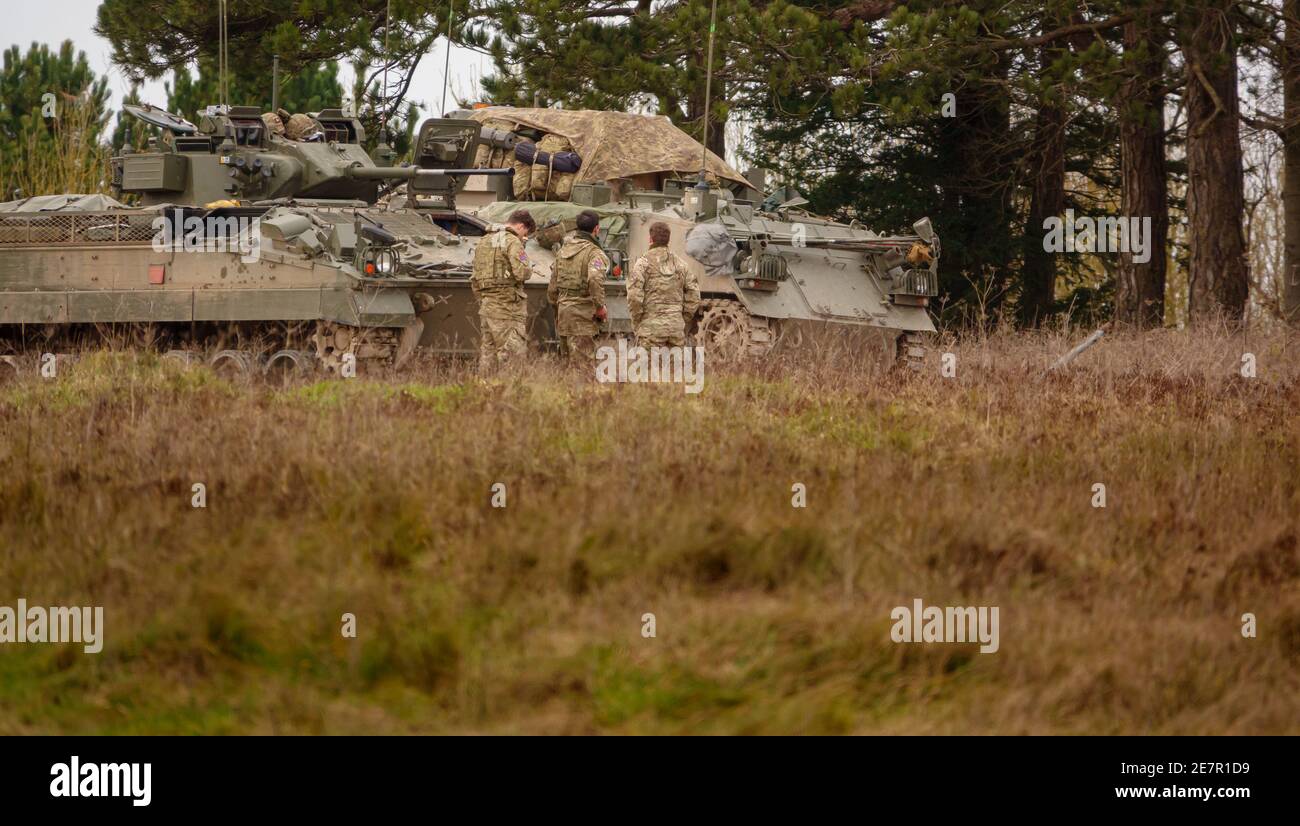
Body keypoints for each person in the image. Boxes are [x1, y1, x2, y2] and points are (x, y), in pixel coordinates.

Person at [471, 209, 536, 371]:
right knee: (512, 354)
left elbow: (474, 278)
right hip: (508, 307)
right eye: (525, 233)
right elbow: (523, 273)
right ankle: (509, 393)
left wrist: (485, 299)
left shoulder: (484, 241)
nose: (524, 237)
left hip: (487, 306)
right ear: (521, 226)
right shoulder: (512, 242)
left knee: (488, 353)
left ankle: (485, 390)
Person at [547, 210, 608, 365]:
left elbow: (552, 287)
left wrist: (557, 310)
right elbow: (594, 278)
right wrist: (600, 307)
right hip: (583, 316)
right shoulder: (595, 253)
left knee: (566, 364)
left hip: (563, 313)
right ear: (596, 229)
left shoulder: (562, 251)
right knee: (584, 367)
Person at [627, 222, 700, 347]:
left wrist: (638, 322)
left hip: (650, 329)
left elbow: (634, 297)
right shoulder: (681, 265)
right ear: (668, 239)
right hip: (676, 330)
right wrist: (682, 318)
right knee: (673, 366)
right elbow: (694, 295)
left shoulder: (642, 264)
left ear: (650, 238)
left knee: (649, 366)